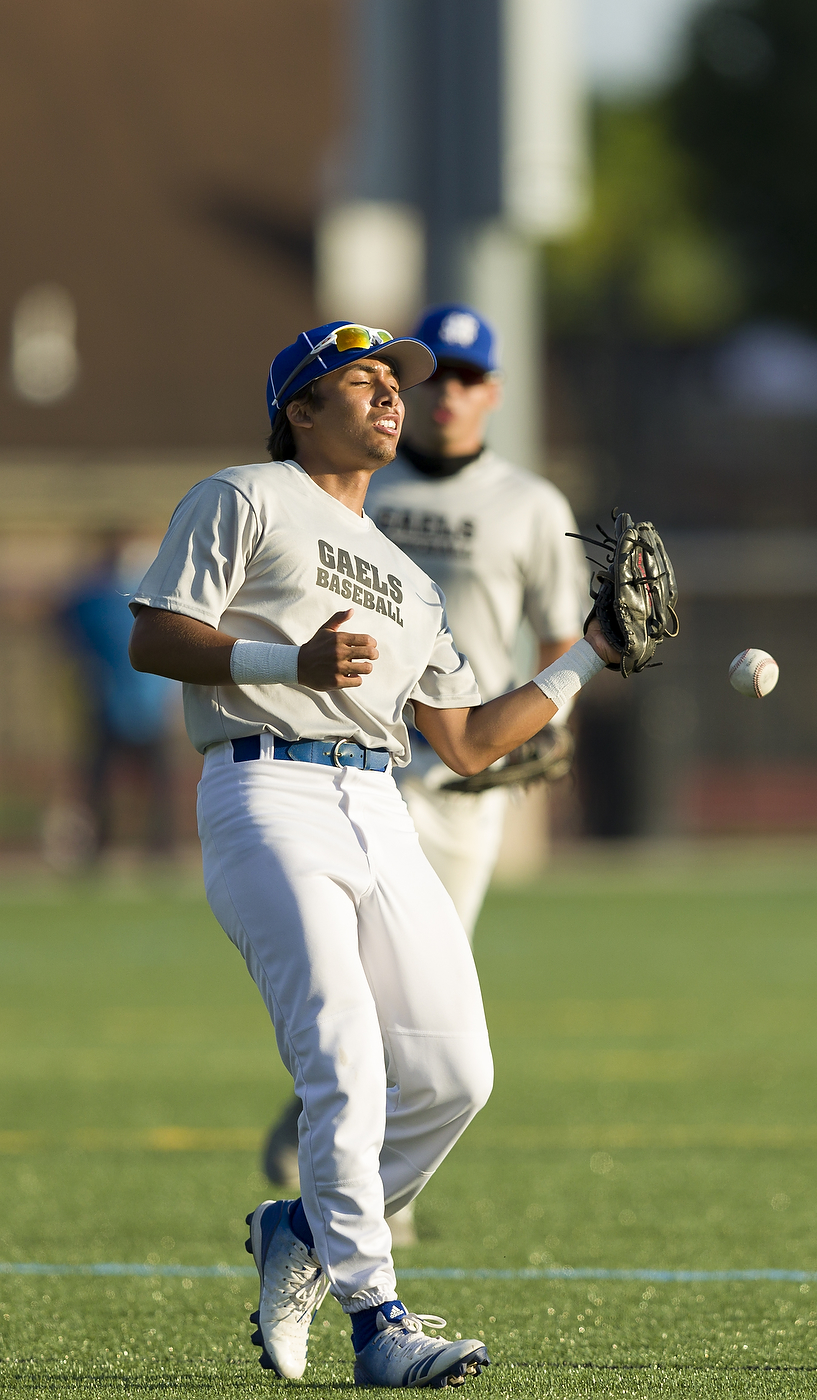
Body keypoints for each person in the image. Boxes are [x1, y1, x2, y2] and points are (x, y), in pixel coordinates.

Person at [128, 320, 618, 1386]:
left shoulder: (407, 578)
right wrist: (285, 655)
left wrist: (591, 652)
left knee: (453, 1071)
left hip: (377, 802)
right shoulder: (243, 496)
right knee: (343, 1053)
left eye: (396, 384)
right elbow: (155, 633)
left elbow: (467, 737)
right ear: (300, 412)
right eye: (361, 381)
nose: (391, 396)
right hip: (264, 788)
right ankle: (376, 1319)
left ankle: (300, 1226)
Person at [262, 305, 587, 1243]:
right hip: (355, 761)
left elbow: (561, 637)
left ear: (495, 393)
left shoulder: (529, 505)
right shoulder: (360, 481)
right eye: (435, 376)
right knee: (360, 993)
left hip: (465, 776)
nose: (450, 394)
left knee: (424, 1001)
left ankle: (332, 1161)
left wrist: (546, 719)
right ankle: (356, 1199)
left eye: (471, 378)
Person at [60, 534, 177, 860]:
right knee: (121, 785)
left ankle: (126, 848)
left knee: (131, 785)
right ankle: (141, 849)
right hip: (123, 704)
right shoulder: (116, 597)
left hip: (130, 705)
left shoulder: (93, 597)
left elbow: (64, 624)